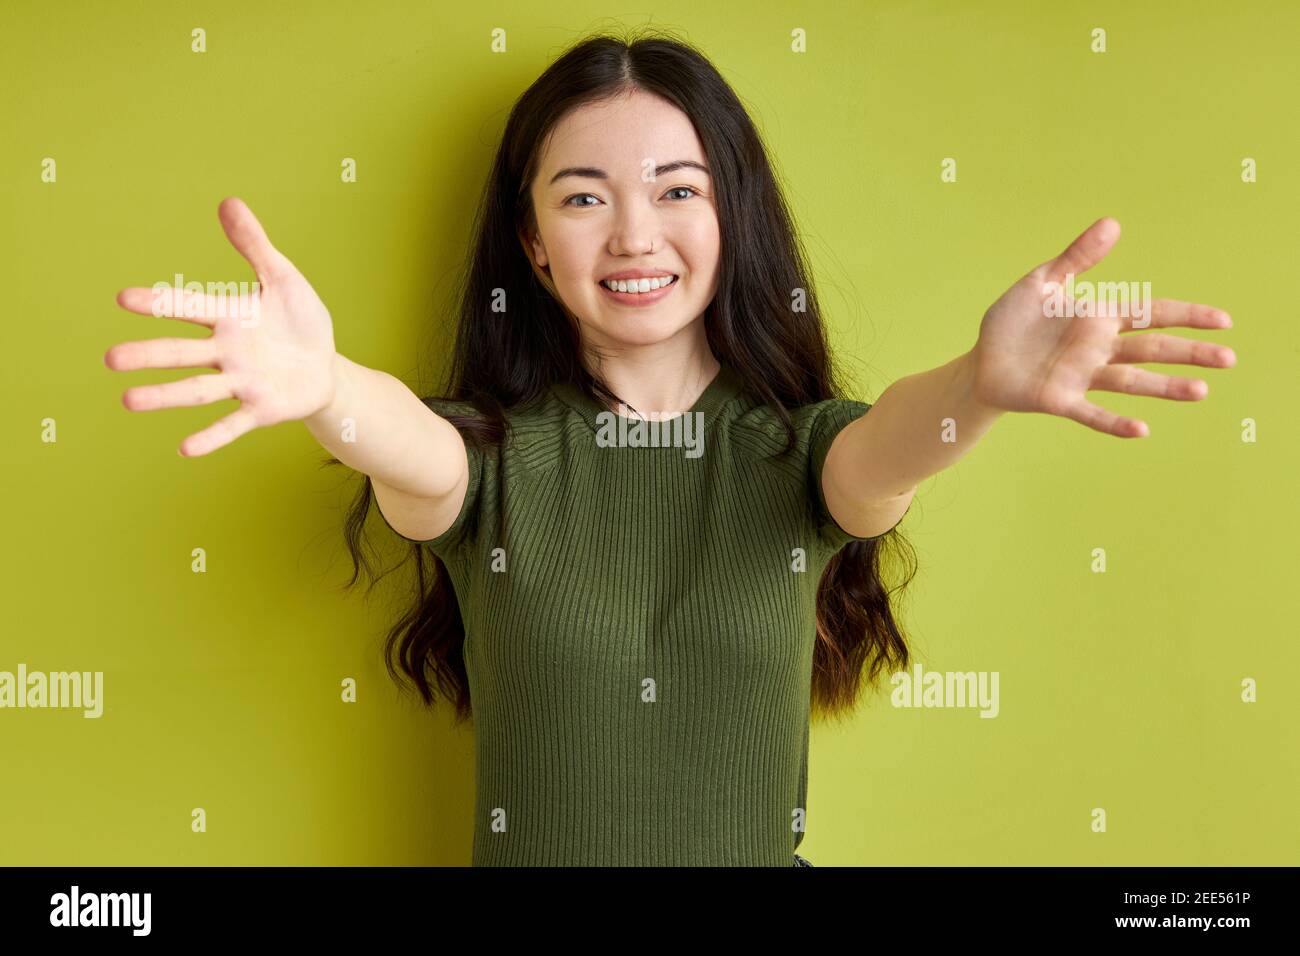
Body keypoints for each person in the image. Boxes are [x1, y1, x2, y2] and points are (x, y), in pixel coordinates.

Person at [104, 32, 1235, 867]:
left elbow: (885, 450)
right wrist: (323, 387)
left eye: (675, 189)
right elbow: (410, 442)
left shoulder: (797, 459)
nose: (634, 233)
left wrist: (979, 392)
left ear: (727, 215)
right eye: (584, 196)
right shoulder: (491, 466)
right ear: (535, 247)